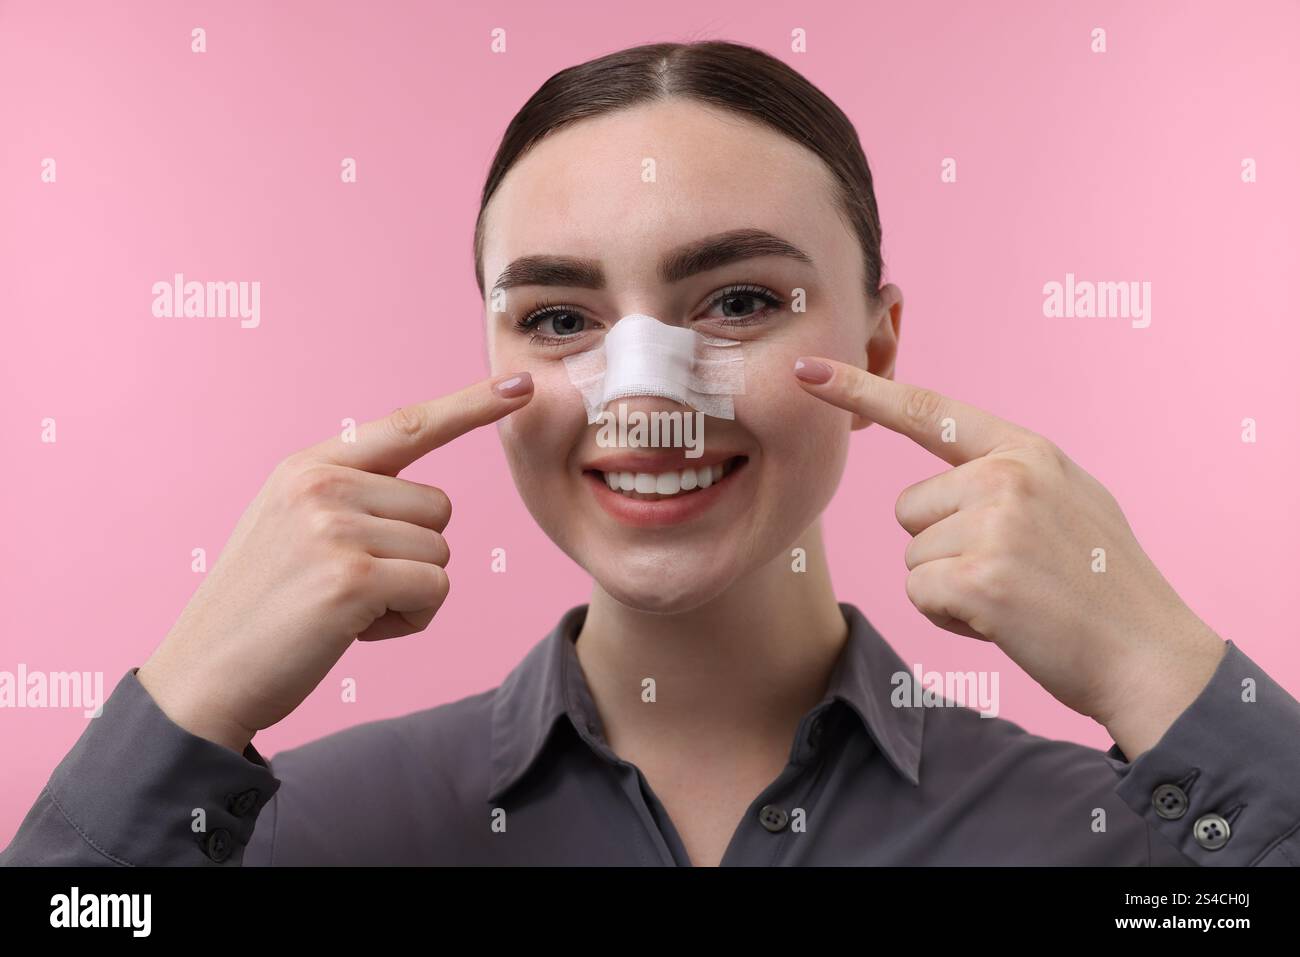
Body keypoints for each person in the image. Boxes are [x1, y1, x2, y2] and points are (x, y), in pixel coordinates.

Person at [3, 40, 1297, 868]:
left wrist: (1167, 668)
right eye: (561, 319)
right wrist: (177, 707)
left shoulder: (1128, 838)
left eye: (736, 301)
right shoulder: (306, 828)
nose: (642, 396)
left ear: (882, 343)